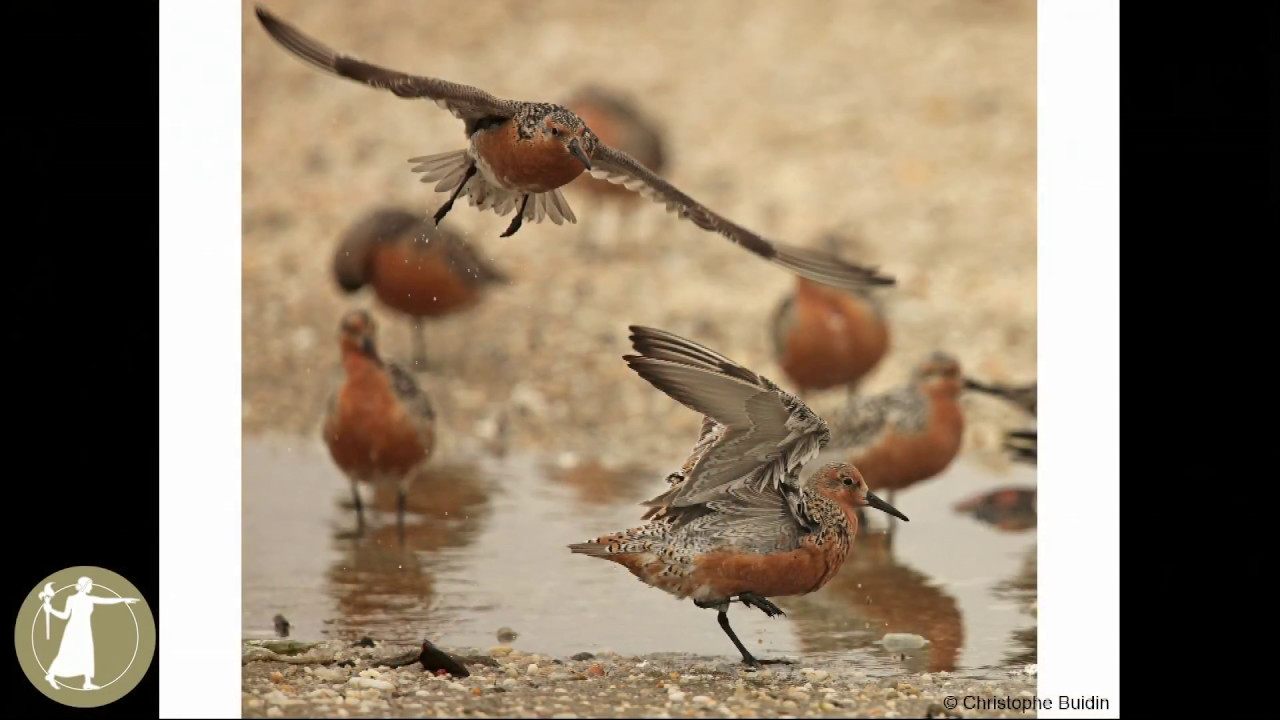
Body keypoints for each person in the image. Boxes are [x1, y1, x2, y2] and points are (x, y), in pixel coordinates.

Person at [42, 577, 139, 690]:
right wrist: (51, 610)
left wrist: (123, 599)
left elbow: (107, 601)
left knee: (87, 653)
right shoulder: (71, 598)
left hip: (85, 629)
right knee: (67, 652)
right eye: (90, 585)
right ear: (84, 586)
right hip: (73, 629)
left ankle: (87, 683)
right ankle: (51, 674)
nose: (92, 588)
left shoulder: (90, 599)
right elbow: (64, 616)